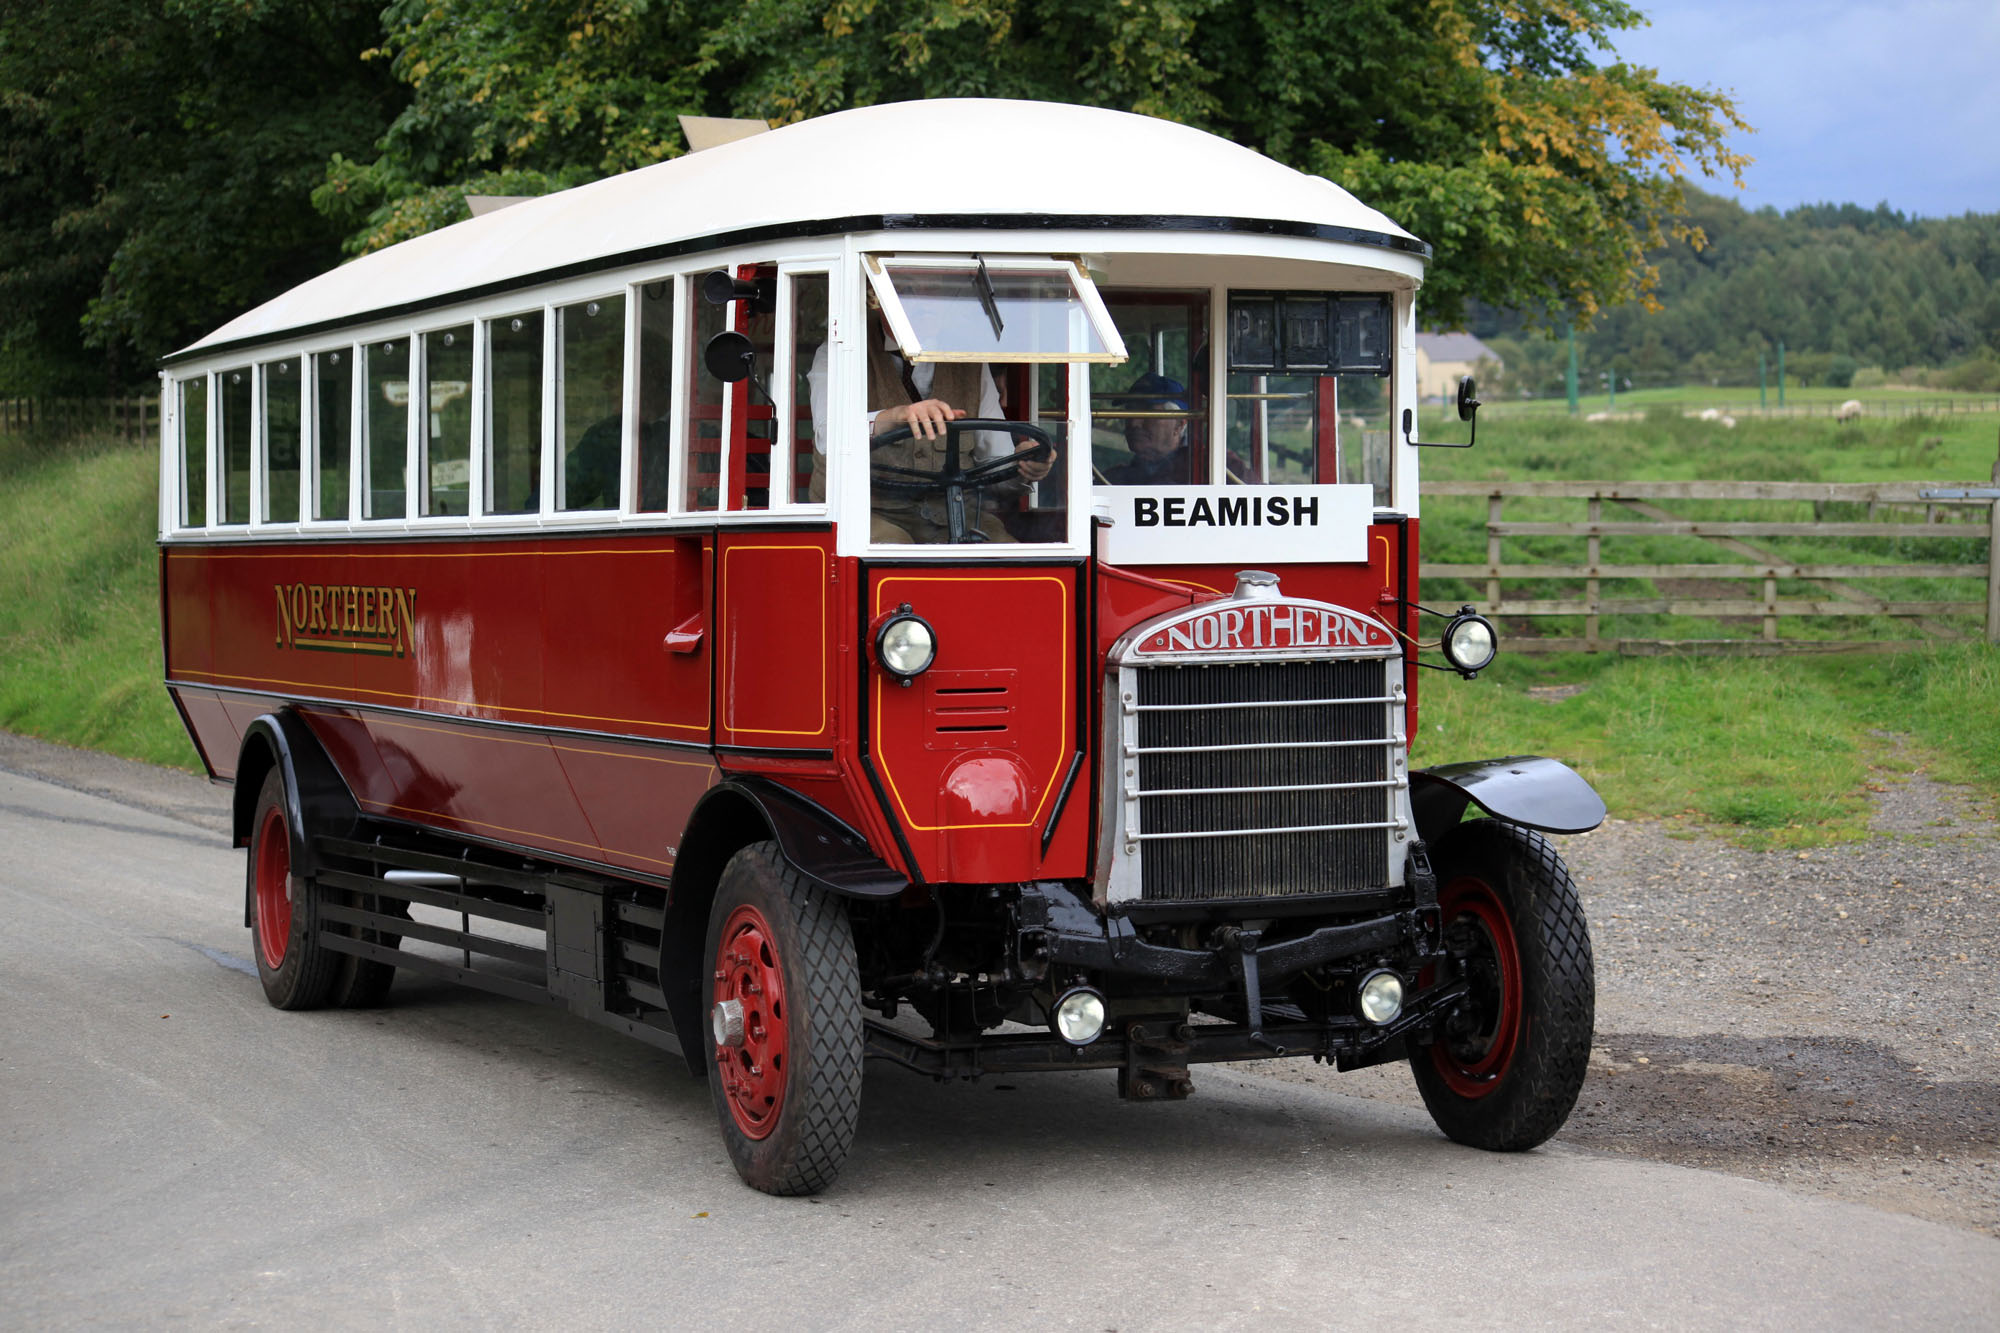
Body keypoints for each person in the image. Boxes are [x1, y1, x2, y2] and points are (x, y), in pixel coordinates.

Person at [808, 312, 1055, 543]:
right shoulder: (842, 349)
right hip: (867, 513)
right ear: (882, 300)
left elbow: (993, 461)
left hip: (953, 516)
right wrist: (895, 416)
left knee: (1012, 562)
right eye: (913, 292)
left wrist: (1023, 466)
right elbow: (828, 436)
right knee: (892, 560)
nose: (927, 307)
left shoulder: (968, 361)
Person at [1105, 373, 1196, 485]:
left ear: (1179, 424)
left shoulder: (1204, 469)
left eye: (1148, 412)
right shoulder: (1112, 480)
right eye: (1130, 411)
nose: (1134, 423)